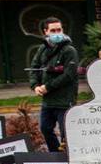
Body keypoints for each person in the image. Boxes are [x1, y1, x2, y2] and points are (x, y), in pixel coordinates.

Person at [30, 16, 79, 152]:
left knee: (66, 134)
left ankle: (67, 156)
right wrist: (35, 86)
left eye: (59, 29)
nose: (57, 33)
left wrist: (48, 87)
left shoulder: (69, 51)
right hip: (48, 101)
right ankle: (56, 155)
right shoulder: (43, 49)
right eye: (53, 30)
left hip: (64, 100)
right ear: (46, 32)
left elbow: (69, 75)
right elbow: (34, 68)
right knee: (45, 129)